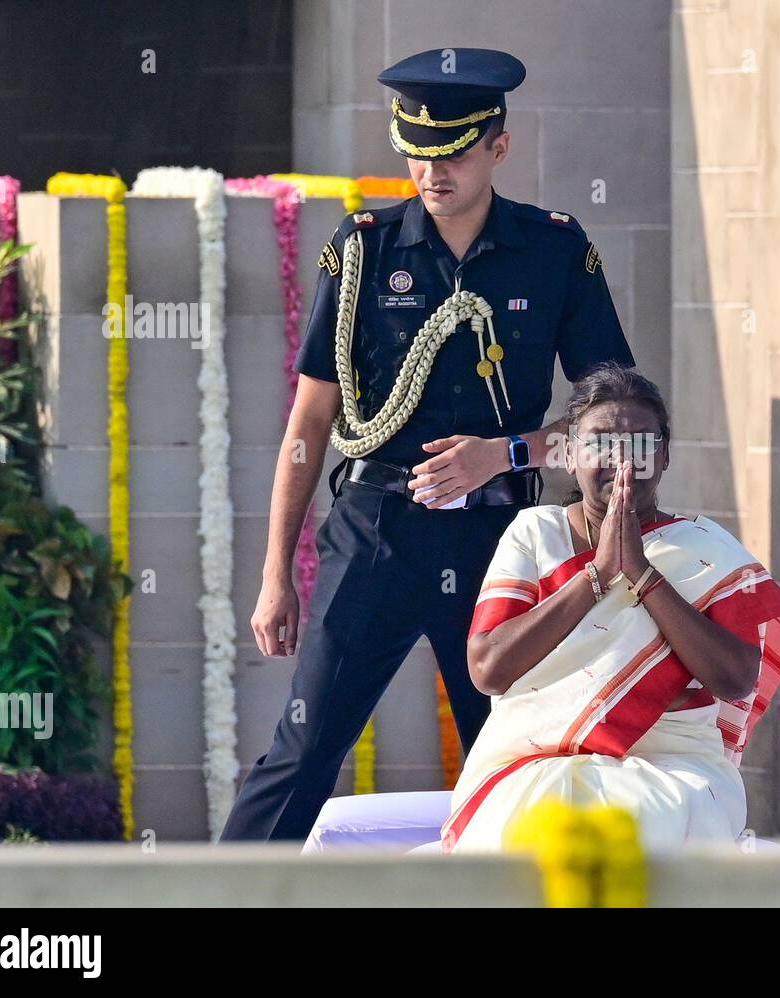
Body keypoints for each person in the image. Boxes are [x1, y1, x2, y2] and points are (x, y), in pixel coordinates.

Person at [221, 48, 635, 842]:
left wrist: (504, 453)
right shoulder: (363, 247)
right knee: (302, 750)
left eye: (451, 153)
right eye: (416, 150)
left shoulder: (554, 250)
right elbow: (309, 425)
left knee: (514, 756)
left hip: (500, 541)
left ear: (498, 148)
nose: (429, 170)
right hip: (376, 529)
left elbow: (615, 417)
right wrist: (278, 573)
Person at [439, 363, 780, 853]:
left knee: (648, 828)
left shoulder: (704, 546)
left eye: (640, 443)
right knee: (535, 833)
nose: (621, 460)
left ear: (665, 456)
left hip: (673, 759)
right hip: (539, 755)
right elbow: (488, 670)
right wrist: (598, 575)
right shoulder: (536, 534)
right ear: (568, 454)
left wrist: (644, 575)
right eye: (601, 443)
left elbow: (737, 678)